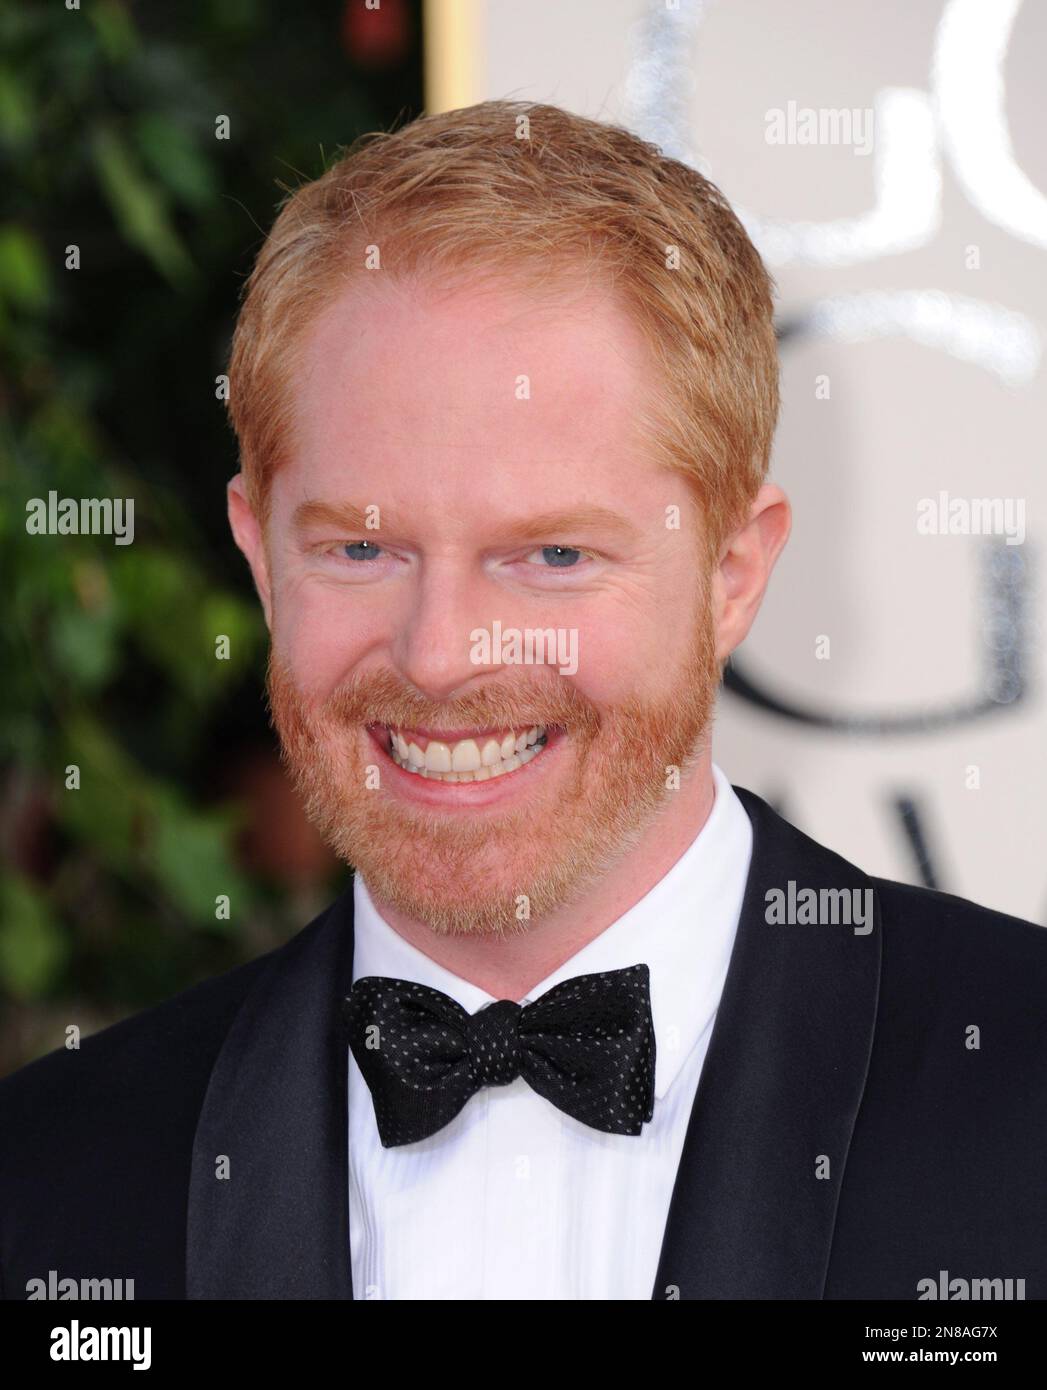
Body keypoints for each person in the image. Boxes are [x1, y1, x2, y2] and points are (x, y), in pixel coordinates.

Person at [2, 101, 1045, 1302]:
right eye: (360, 550)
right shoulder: (45, 1186)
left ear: (732, 575)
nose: (442, 656)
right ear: (259, 557)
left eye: (552, 557)